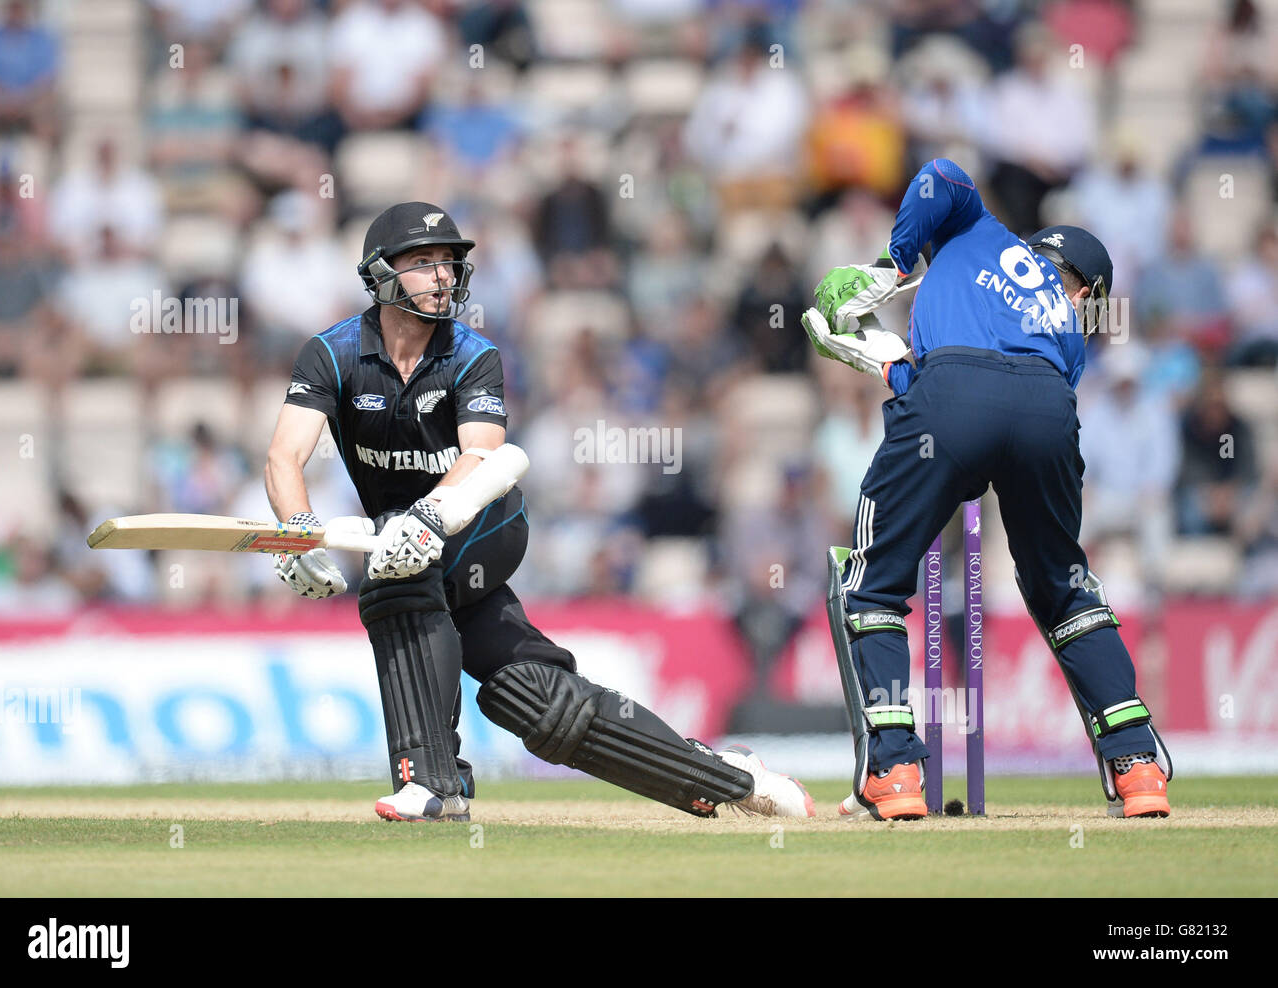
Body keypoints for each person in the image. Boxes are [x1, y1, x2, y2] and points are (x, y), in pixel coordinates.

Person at [264, 201, 814, 822]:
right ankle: (723, 775)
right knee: (537, 704)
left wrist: (427, 518)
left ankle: (434, 787)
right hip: (409, 543)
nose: (443, 275)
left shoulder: (474, 354)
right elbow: (285, 458)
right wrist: (297, 535)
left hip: (483, 525)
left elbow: (484, 455)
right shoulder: (331, 353)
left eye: (449, 262)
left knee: (397, 568)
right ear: (380, 273)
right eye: (424, 263)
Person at [801, 158, 1173, 820]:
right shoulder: (1067, 334)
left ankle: (894, 772)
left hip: (948, 398)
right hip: (1047, 411)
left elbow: (939, 174)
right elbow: (1001, 387)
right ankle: (1137, 764)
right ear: (1086, 294)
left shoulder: (978, 231)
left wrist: (889, 272)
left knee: (870, 581)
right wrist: (900, 368)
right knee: (1063, 586)